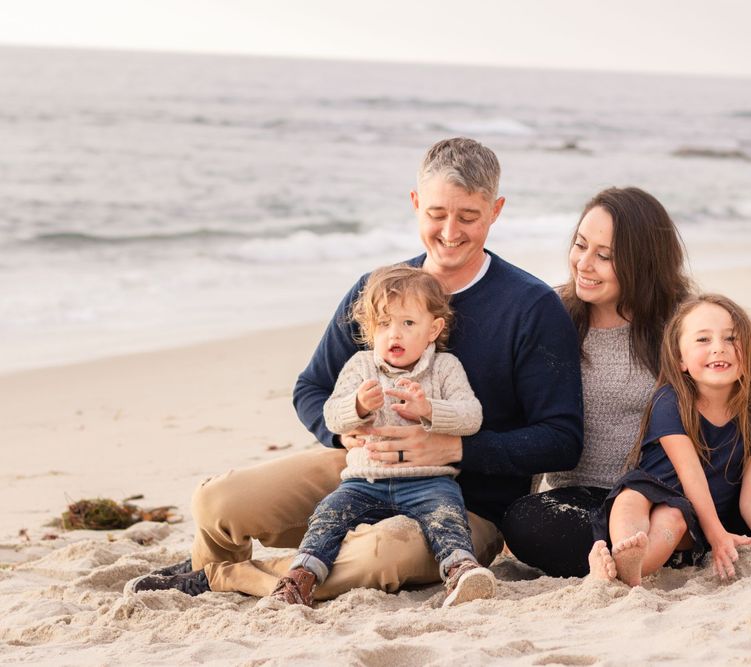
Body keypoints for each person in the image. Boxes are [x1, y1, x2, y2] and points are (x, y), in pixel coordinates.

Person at [126, 137, 584, 600]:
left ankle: (222, 578)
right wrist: (346, 436)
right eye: (436, 214)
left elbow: (561, 439)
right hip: (359, 472)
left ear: (496, 210)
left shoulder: (531, 306)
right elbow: (311, 388)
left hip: (465, 509)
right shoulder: (376, 291)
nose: (450, 232)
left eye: (468, 217)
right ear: (414, 202)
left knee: (380, 555)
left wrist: (453, 448)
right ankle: (213, 562)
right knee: (217, 502)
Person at [502, 187, 751, 579]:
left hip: (708, 486)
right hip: (599, 497)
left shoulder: (686, 320)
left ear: (643, 262)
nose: (584, 264)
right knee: (526, 524)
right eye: (580, 245)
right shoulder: (551, 318)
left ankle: (682, 541)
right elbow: (531, 417)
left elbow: (745, 395)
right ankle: (681, 543)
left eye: (605, 256)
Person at [270, 264, 494, 607]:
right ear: (370, 330)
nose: (395, 334)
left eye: (408, 323)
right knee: (329, 515)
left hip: (428, 480)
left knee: (447, 515)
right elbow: (331, 415)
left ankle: (461, 570)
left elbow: (471, 416)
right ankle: (299, 578)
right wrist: (357, 406)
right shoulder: (360, 366)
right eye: (384, 324)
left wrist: (429, 409)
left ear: (433, 329)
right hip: (364, 480)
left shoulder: (446, 368)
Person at [588, 294, 751, 586]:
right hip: (653, 487)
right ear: (680, 359)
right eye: (703, 340)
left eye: (731, 338)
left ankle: (635, 568)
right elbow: (690, 473)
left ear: (749, 354)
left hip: (691, 515)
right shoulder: (671, 400)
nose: (719, 349)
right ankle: (624, 549)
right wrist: (717, 536)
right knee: (630, 497)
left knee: (672, 518)